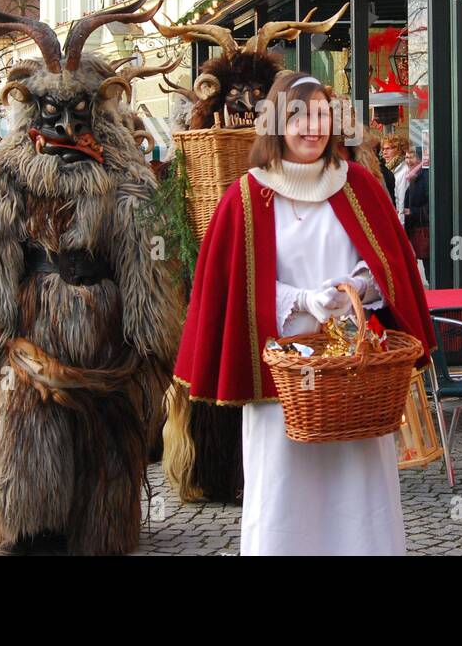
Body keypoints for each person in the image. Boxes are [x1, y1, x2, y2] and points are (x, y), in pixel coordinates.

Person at [172, 69, 435, 555]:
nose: (312, 127)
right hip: (283, 382)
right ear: (275, 123)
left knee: (359, 488)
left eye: (320, 115)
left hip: (352, 374)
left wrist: (356, 285)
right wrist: (300, 299)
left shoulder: (356, 184)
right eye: (299, 116)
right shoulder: (247, 196)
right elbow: (233, 288)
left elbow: (389, 263)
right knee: (286, 493)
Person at [401, 146, 429, 268]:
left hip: (425, 230)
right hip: (415, 229)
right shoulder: (412, 176)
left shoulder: (425, 176)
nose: (408, 161)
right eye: (406, 157)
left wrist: (412, 211)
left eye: (412, 157)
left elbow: (431, 204)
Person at [382, 134, 411, 216]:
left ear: (399, 150)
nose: (384, 152)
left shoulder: (404, 171)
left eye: (388, 149)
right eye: (383, 149)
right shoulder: (392, 169)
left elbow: (401, 203)